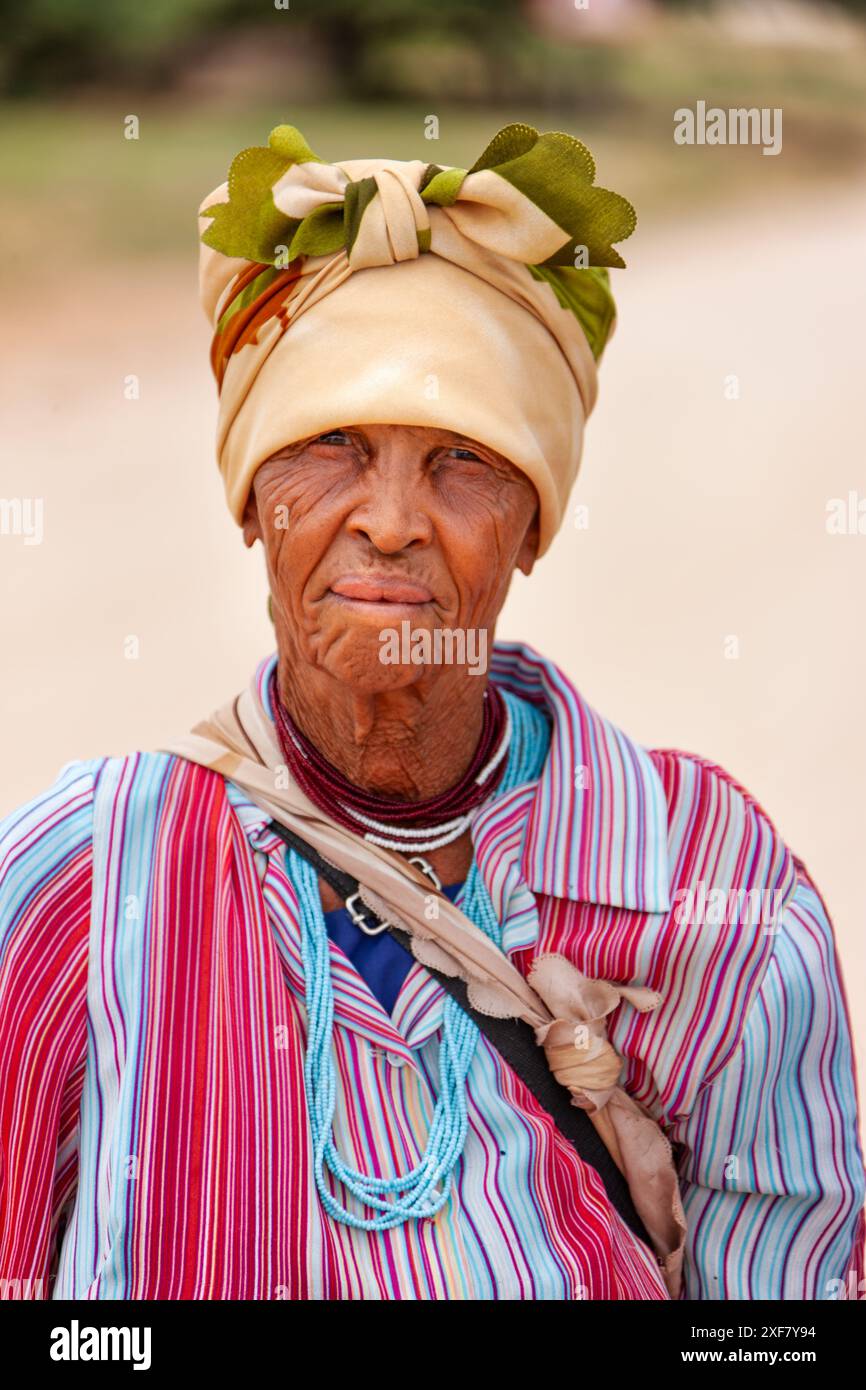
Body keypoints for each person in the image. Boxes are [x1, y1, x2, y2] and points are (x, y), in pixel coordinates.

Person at [0, 122, 863, 1302]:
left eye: (462, 457)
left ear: (531, 523)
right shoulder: (88, 881)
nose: (393, 518)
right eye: (332, 447)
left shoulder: (715, 891)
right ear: (255, 500)